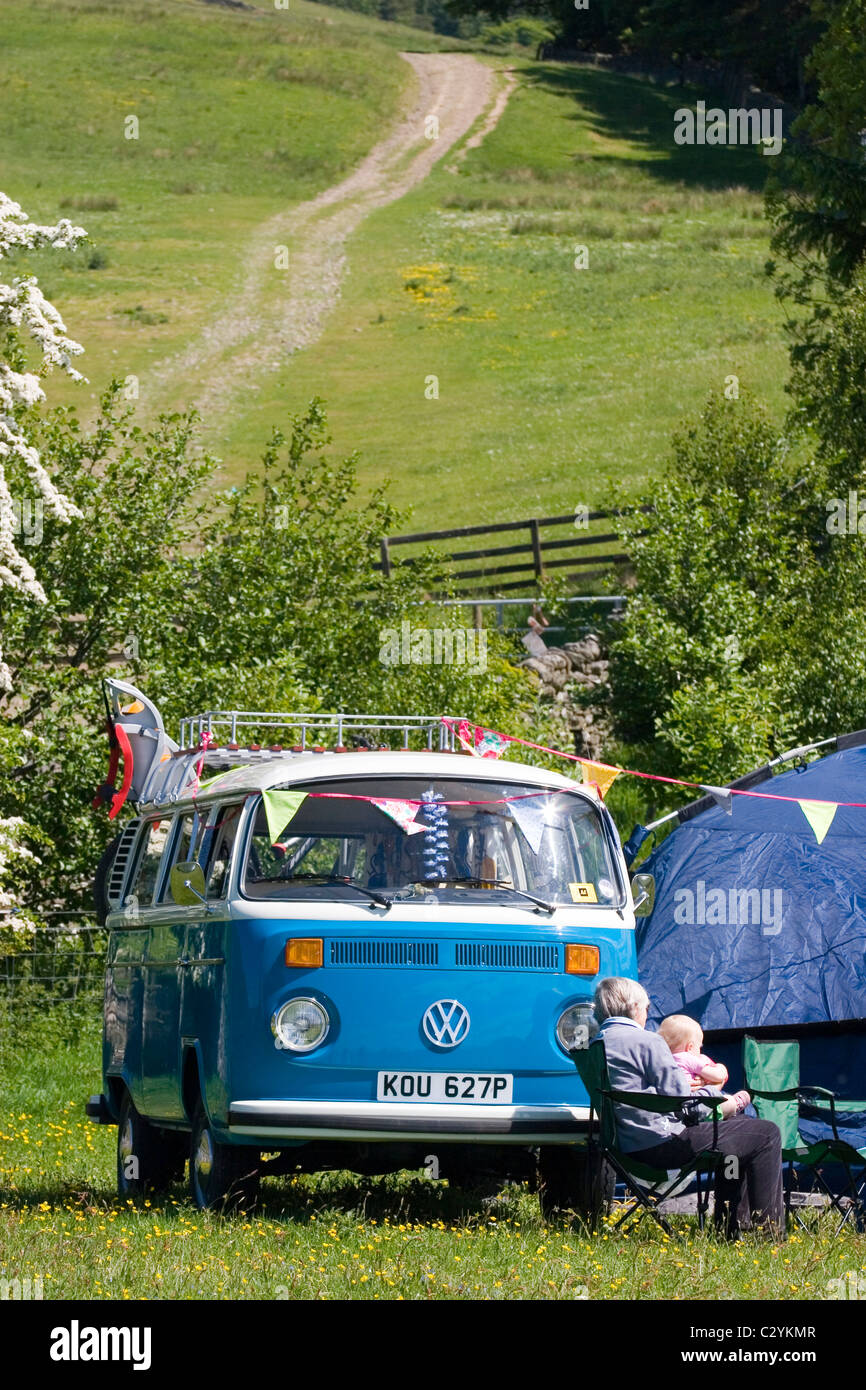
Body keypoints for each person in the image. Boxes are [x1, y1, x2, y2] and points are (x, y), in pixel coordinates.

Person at [593, 977, 785, 1240]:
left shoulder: (596, 1043)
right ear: (634, 1006)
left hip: (624, 1145)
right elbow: (687, 1107)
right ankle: (770, 1234)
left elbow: (645, 1093)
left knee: (739, 1137)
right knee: (766, 1133)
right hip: (662, 1144)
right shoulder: (646, 1041)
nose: (647, 1015)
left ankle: (731, 1230)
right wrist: (714, 1092)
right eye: (647, 1008)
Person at [658, 1014, 752, 1119]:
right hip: (696, 1107)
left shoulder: (661, 1060)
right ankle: (733, 1105)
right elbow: (717, 1076)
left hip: (673, 1111)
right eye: (699, 1047)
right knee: (727, 1101)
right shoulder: (686, 1058)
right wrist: (721, 1070)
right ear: (690, 1047)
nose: (700, 1051)